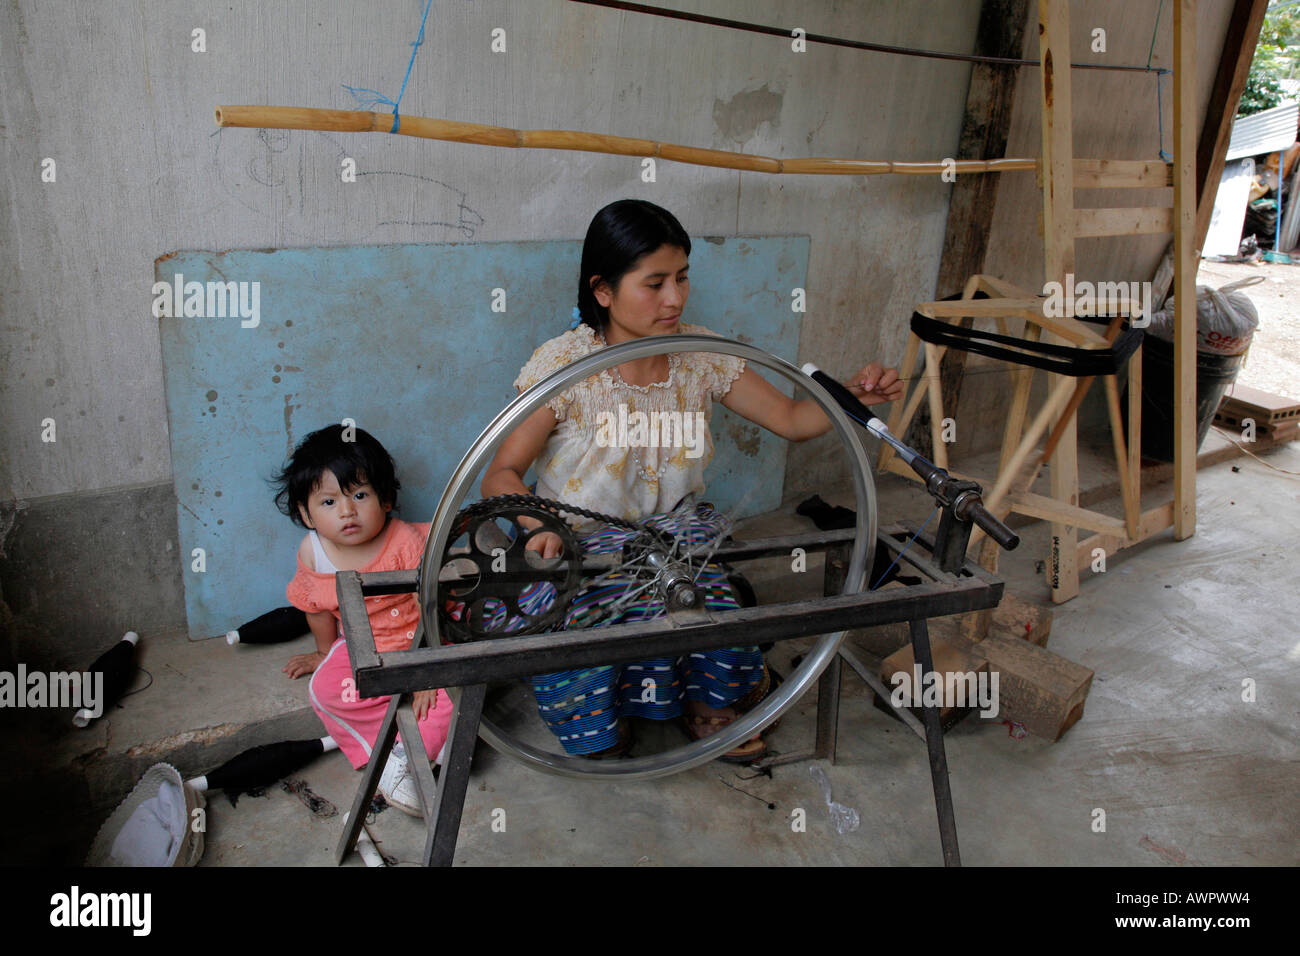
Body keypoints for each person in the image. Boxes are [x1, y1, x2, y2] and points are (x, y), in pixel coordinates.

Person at [481, 199, 902, 761]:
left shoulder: (701, 356)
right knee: (591, 625)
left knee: (704, 606)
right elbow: (500, 473)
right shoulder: (565, 367)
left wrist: (853, 399)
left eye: (681, 279)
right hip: (582, 542)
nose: (674, 298)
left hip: (676, 537)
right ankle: (602, 723)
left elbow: (793, 420)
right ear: (603, 289)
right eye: (654, 283)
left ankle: (710, 708)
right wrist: (539, 528)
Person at [274, 424, 453, 815]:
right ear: (305, 513)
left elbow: (434, 609)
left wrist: (428, 670)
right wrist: (324, 652)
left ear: (386, 499)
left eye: (359, 495)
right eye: (328, 503)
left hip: (422, 640)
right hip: (365, 645)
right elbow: (315, 605)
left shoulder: (406, 543)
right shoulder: (313, 553)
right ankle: (383, 749)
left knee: (453, 699)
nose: (347, 511)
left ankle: (408, 759)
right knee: (325, 689)